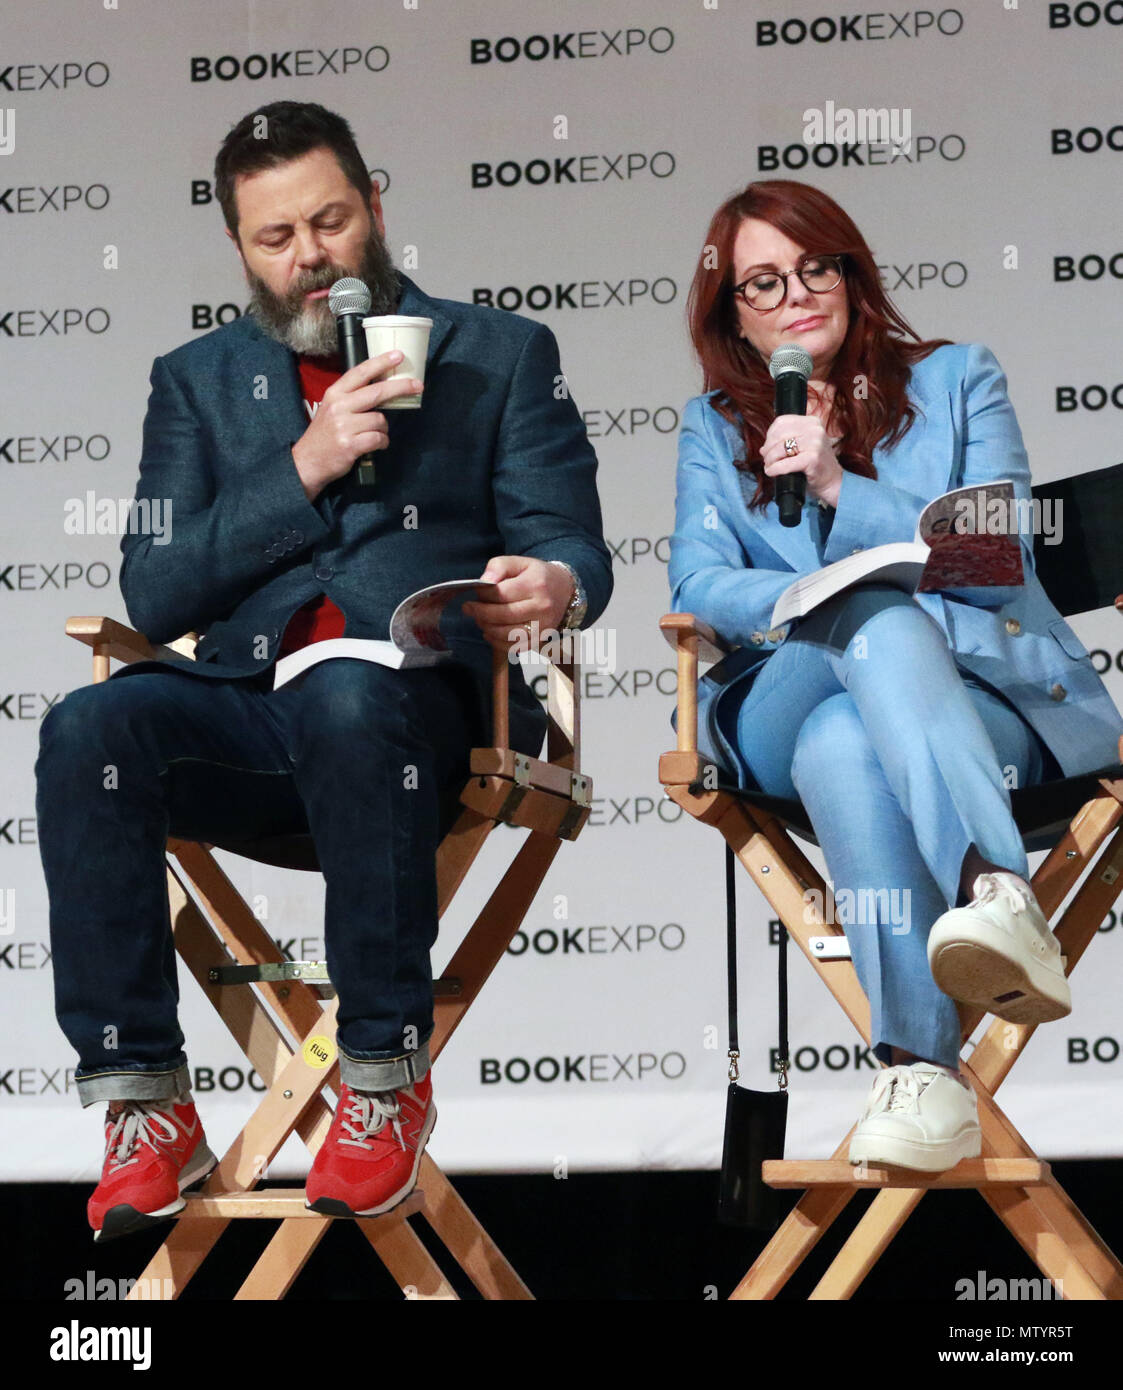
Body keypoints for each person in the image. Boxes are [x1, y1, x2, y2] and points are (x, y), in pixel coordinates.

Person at [35, 101, 612, 1240]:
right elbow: (155, 592)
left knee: (352, 691)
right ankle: (143, 1104)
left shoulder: (499, 354)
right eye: (276, 237)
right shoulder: (197, 380)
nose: (310, 257)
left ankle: (384, 1077)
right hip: (255, 722)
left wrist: (554, 584)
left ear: (374, 211)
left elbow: (571, 541)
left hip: (428, 716)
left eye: (331, 222)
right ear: (241, 251)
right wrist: (302, 463)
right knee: (85, 730)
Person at [669, 179, 1123, 1172]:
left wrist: (838, 485)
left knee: (848, 740)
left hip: (976, 707)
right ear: (732, 316)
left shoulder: (958, 379)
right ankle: (993, 886)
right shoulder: (713, 426)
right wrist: (808, 598)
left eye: (812, 267)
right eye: (761, 282)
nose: (795, 294)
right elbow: (698, 582)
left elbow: (998, 551)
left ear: (850, 270)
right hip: (782, 693)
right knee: (862, 619)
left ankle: (920, 1074)